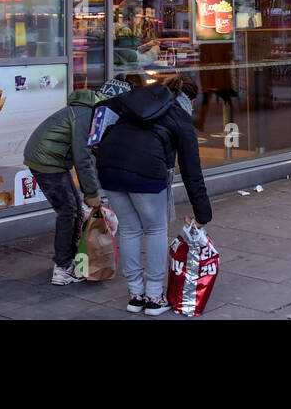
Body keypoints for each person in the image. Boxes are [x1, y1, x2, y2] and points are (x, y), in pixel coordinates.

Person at [94, 75, 212, 314]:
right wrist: (203, 215)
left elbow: (99, 107)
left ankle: (135, 295)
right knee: (156, 229)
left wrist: (101, 143)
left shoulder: (134, 101)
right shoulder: (179, 116)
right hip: (146, 172)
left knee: (129, 229)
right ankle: (154, 297)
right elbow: (192, 171)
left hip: (109, 168)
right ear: (189, 99)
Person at [22, 87, 103, 284]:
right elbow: (81, 158)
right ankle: (63, 267)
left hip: (48, 159)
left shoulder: (81, 110)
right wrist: (91, 192)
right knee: (69, 211)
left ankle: (68, 259)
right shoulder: (85, 115)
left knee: (74, 209)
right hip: (47, 162)